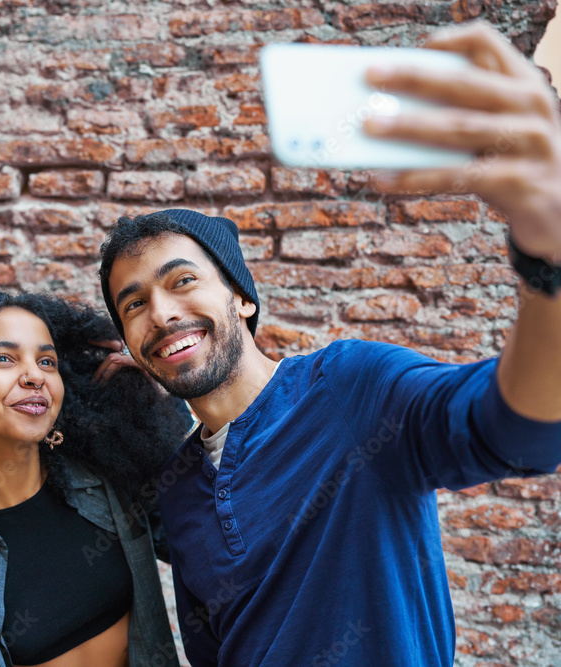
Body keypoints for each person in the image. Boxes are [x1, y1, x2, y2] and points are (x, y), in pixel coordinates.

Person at [97, 22, 561, 667]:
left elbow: (520, 432)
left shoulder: (352, 387)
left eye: (183, 282)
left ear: (242, 298)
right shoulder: (177, 490)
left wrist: (550, 260)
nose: (163, 314)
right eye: (135, 305)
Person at [0, 287, 191, 667]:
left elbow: (201, 545)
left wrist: (165, 395)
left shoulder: (104, 482)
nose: (34, 376)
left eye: (47, 361)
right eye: (4, 358)